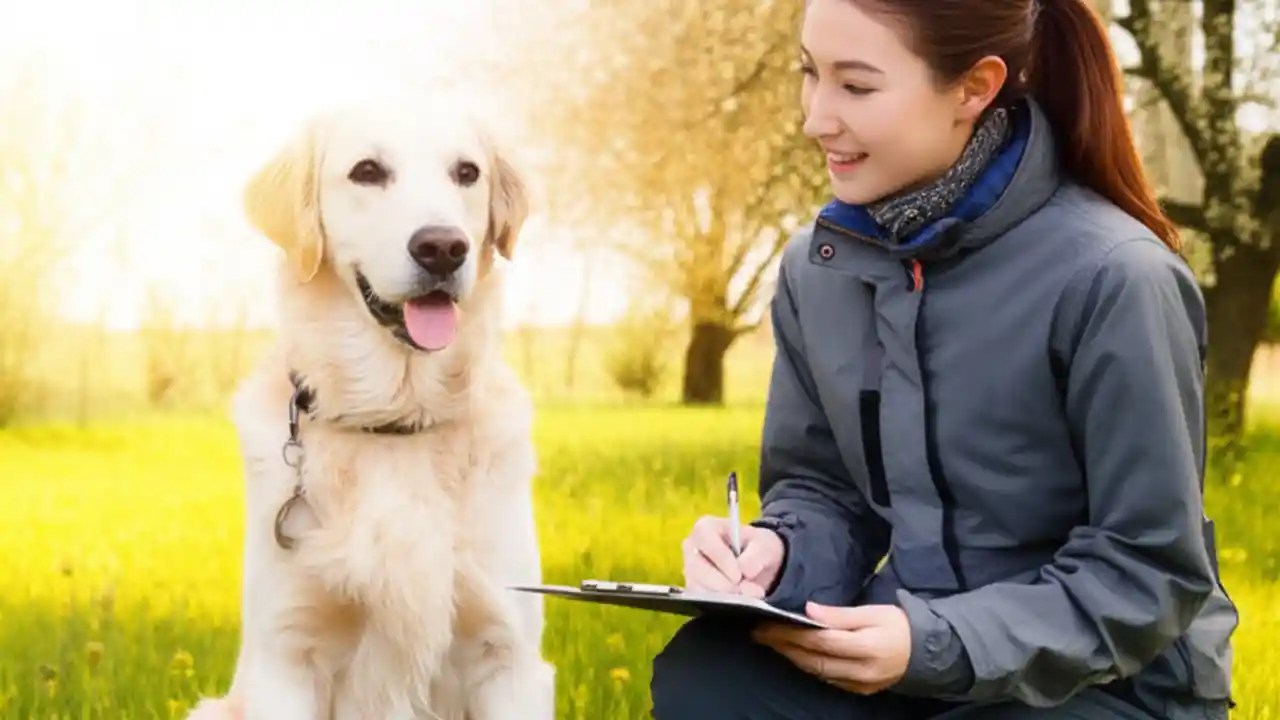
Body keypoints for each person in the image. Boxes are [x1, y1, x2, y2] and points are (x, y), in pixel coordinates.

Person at [649, 0, 1240, 718]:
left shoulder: (1116, 279)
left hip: (1100, 687)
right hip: (910, 653)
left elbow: (1146, 572)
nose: (815, 117)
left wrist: (937, 643)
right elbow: (823, 490)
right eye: (811, 73)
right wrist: (775, 554)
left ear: (973, 88)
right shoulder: (819, 269)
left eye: (856, 87)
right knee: (708, 674)